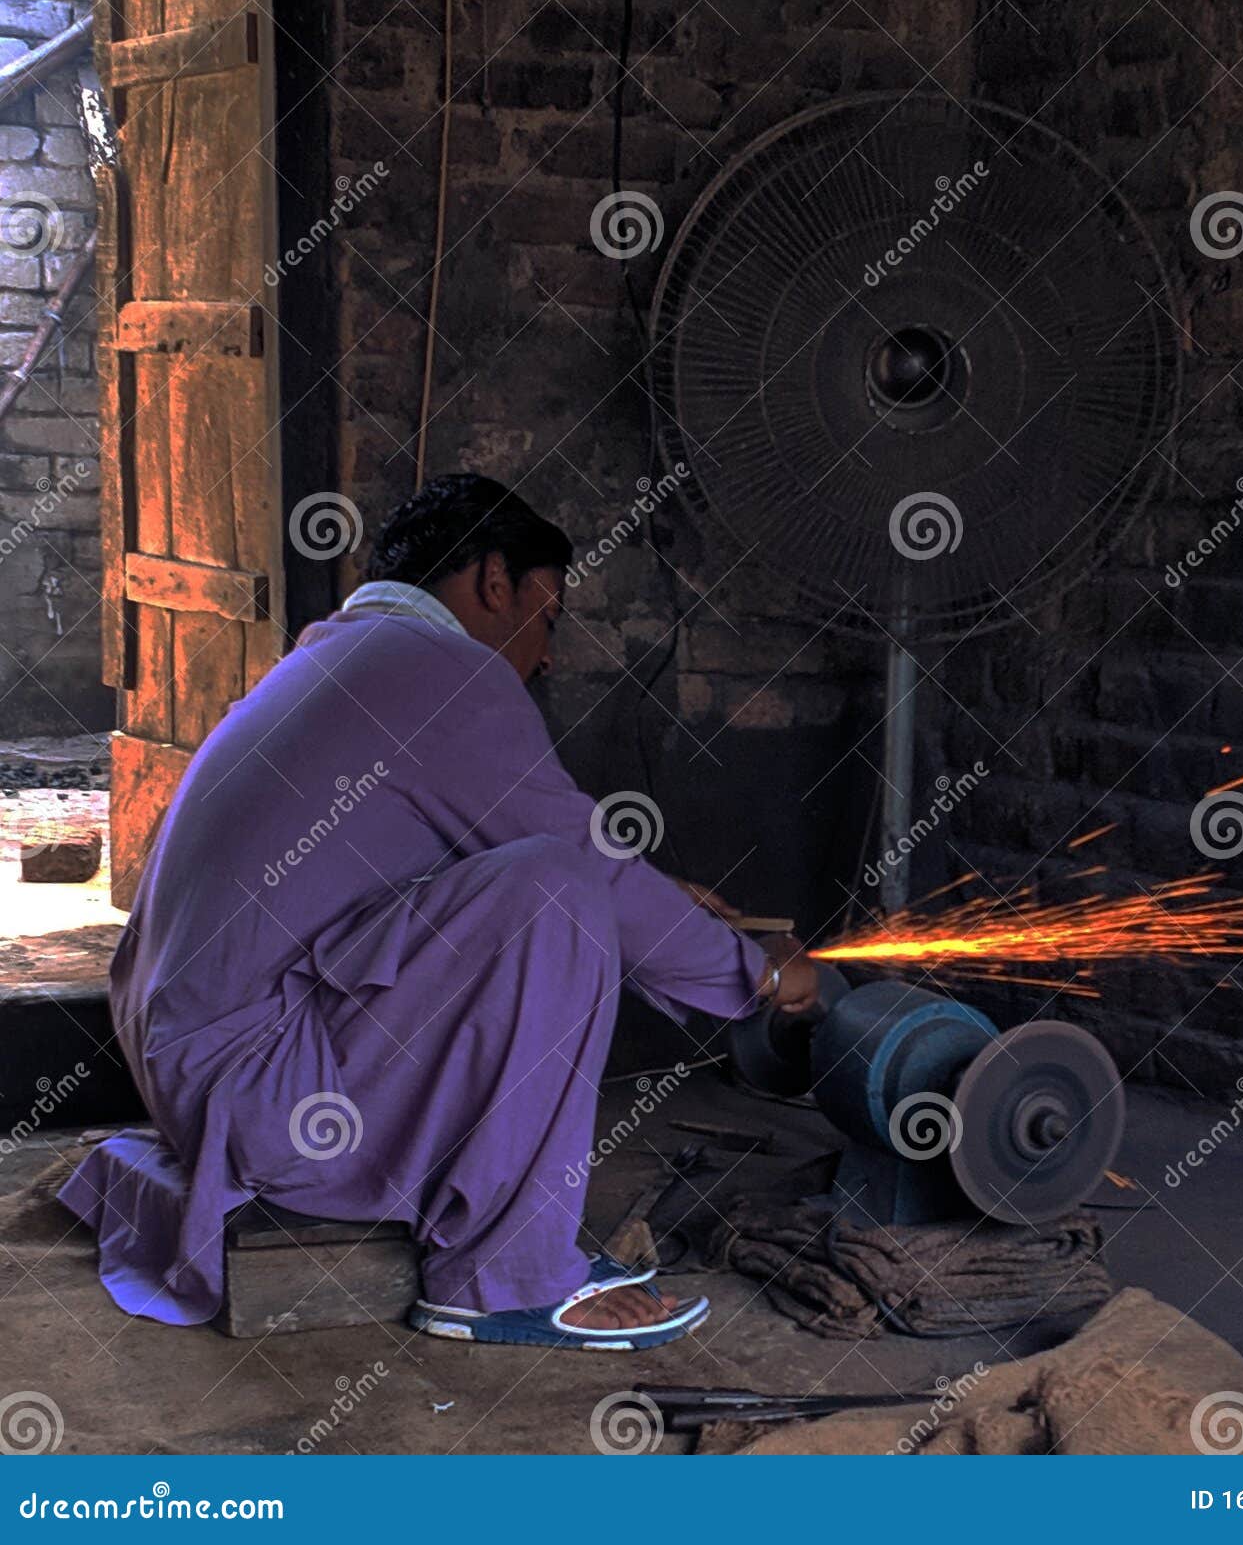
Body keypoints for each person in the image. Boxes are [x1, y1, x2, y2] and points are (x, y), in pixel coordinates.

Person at [61, 473, 819, 1349]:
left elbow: (508, 858)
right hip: (266, 1104)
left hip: (198, 1079)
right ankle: (503, 1280)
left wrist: (667, 902)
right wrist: (759, 974)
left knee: (554, 883)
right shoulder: (447, 674)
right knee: (557, 893)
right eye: (551, 614)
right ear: (496, 583)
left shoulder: (348, 658)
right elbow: (579, 871)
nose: (547, 654)